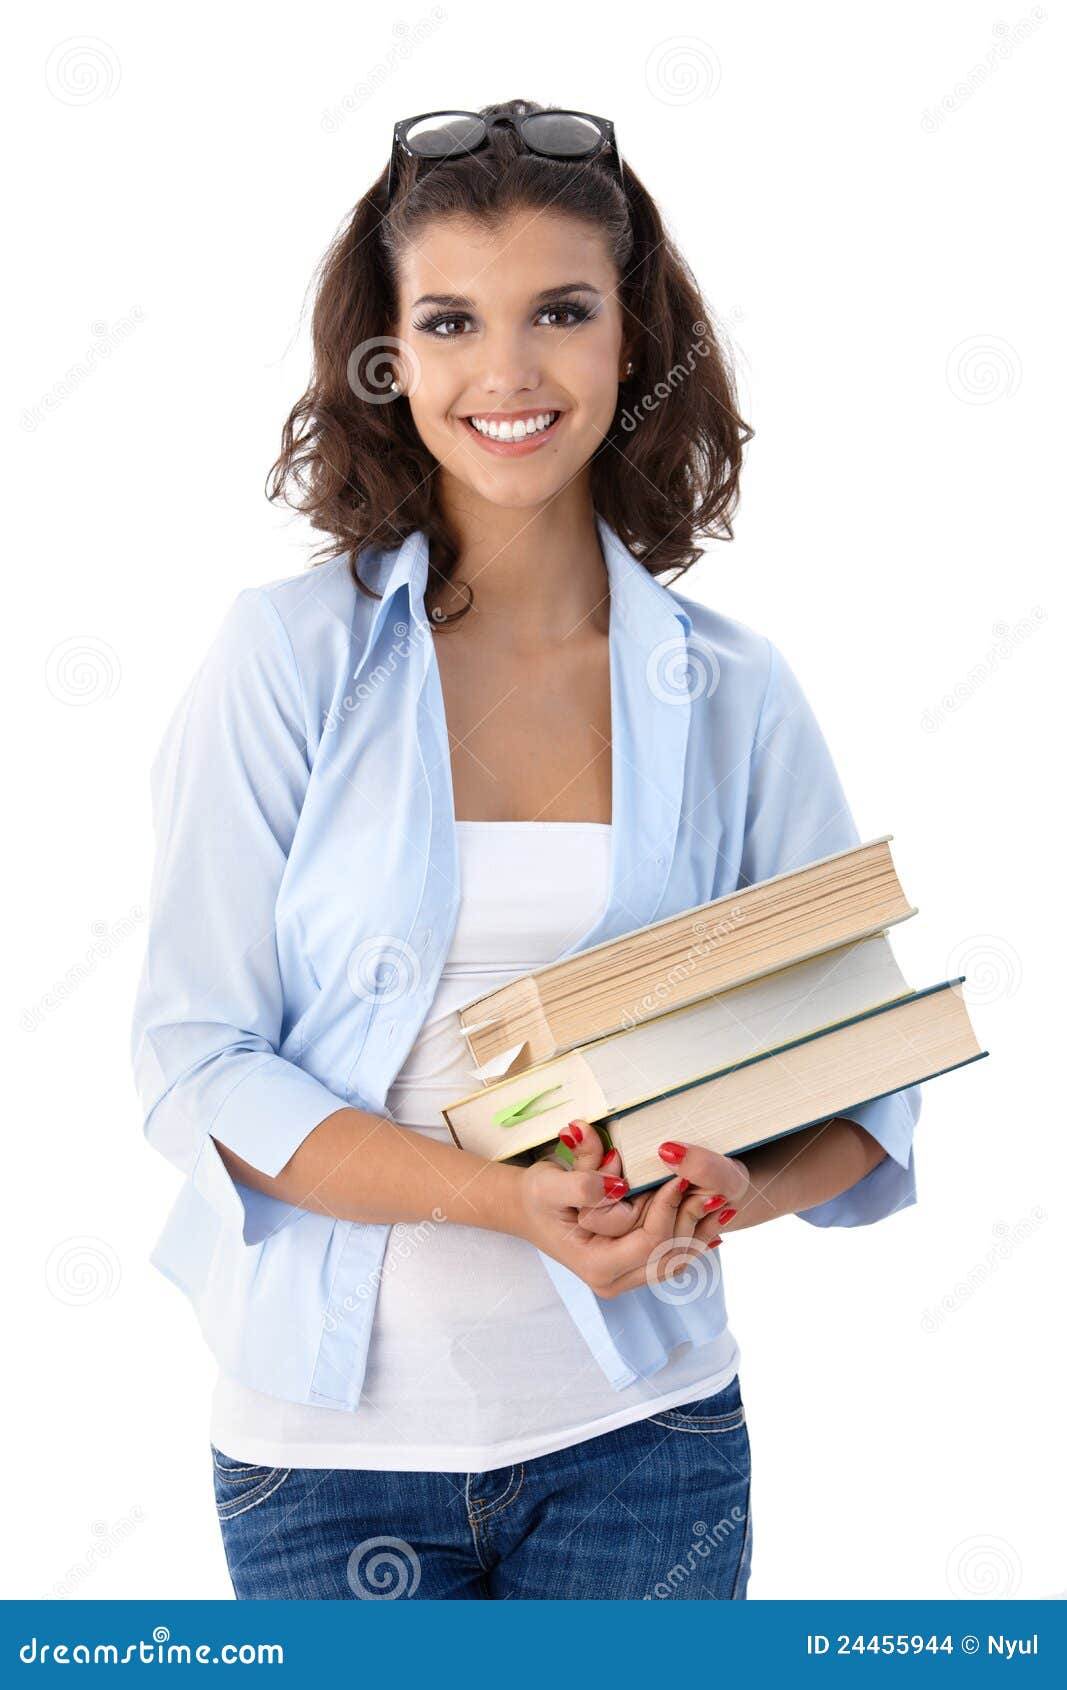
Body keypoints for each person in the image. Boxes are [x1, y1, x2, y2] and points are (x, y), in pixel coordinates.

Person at [130, 99, 921, 1601]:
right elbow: (195, 1058)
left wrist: (729, 1191)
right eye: (449, 322)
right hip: (325, 1455)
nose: (507, 373)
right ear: (391, 356)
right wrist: (502, 1199)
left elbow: (866, 1068)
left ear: (634, 340)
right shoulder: (287, 658)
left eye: (562, 311)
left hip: (644, 1441)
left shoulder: (734, 688)